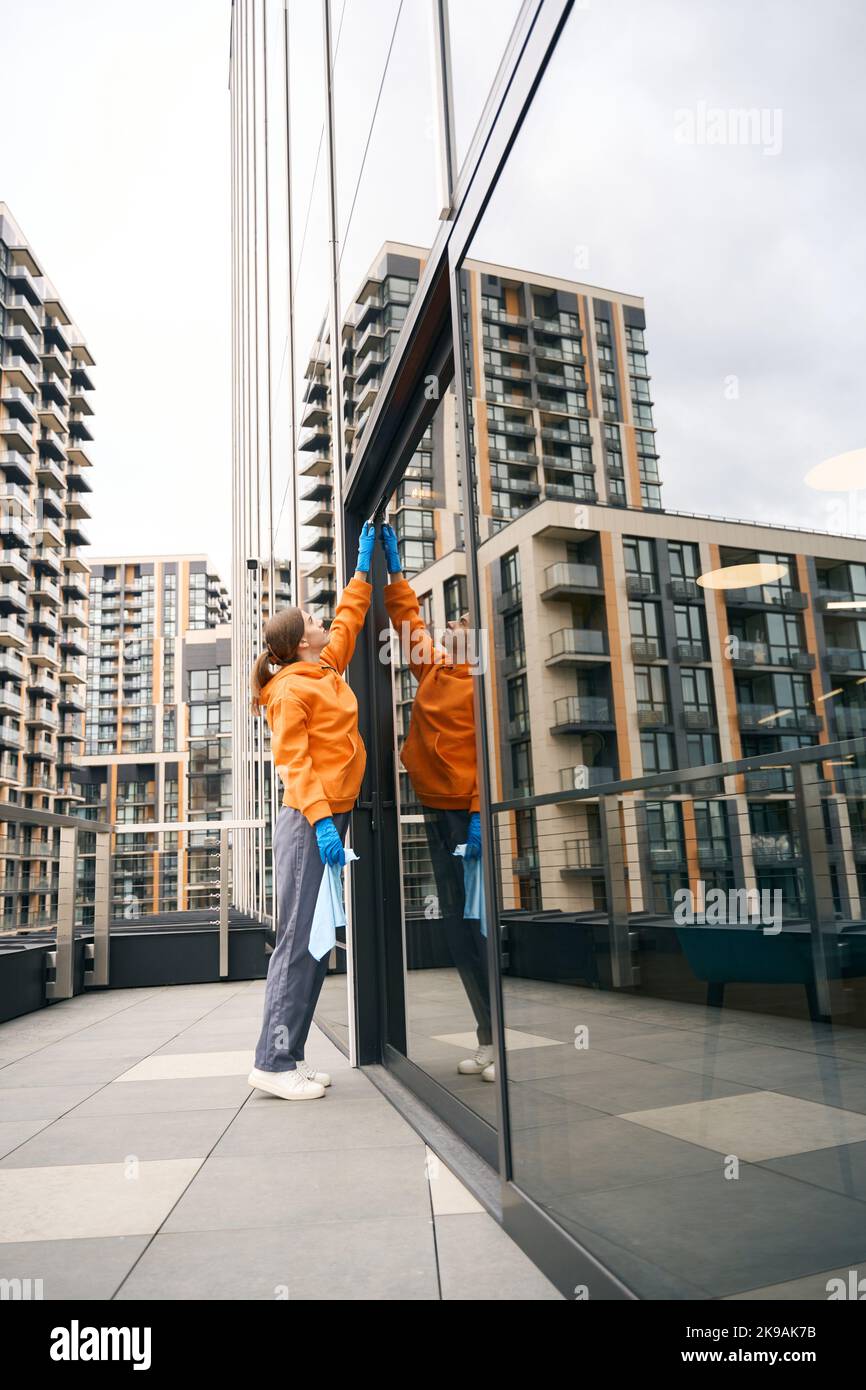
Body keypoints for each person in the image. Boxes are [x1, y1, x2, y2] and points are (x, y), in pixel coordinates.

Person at [247, 523, 376, 1100]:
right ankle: (272, 1062)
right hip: (310, 822)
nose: (324, 621)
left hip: (329, 820)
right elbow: (294, 766)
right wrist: (324, 824)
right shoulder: (289, 691)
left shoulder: (321, 670)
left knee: (317, 939)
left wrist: (363, 573)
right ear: (300, 642)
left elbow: (346, 623)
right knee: (298, 938)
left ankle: (289, 1056)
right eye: (313, 620)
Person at [380, 523, 494, 1082]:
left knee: (477, 924)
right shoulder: (436, 668)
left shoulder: (479, 685)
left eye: (464, 624)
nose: (453, 627)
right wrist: (395, 569)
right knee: (456, 923)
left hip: (467, 815)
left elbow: (491, 756)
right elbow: (407, 620)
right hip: (434, 806)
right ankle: (486, 1037)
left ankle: (497, 1039)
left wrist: (476, 815)